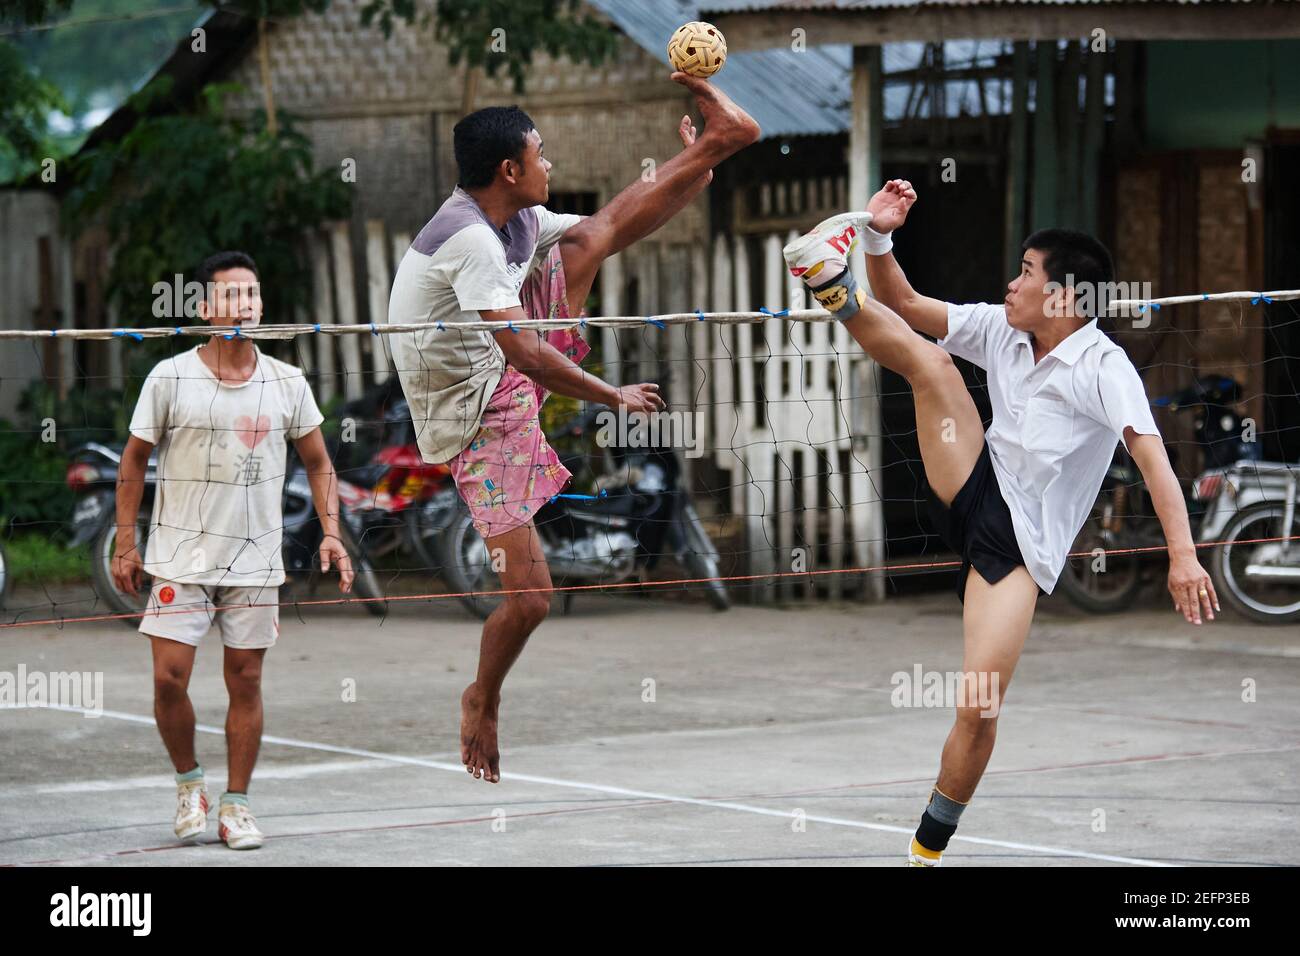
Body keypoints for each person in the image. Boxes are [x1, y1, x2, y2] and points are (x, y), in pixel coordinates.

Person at [783, 180, 1219, 866]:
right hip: (974, 480)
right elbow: (905, 305)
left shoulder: (1104, 368)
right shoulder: (1002, 328)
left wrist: (1183, 556)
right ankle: (825, 273)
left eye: (1025, 273)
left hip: (1019, 550)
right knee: (931, 365)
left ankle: (926, 849)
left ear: (1067, 297)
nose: (1011, 285)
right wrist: (878, 236)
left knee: (978, 705)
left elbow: (1155, 463)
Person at [386, 73, 759, 784]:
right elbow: (524, 349)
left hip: (507, 373)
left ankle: (720, 141)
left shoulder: (516, 220)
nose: (549, 163)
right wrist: (612, 394)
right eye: (541, 152)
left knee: (587, 237)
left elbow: (613, 226)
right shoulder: (468, 238)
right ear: (509, 170)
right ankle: (481, 697)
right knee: (530, 599)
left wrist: (697, 171)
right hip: (473, 418)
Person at [113, 251, 354, 850]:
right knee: (170, 678)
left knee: (245, 679)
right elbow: (134, 461)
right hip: (178, 556)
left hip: (255, 561)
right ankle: (189, 784)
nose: (242, 305)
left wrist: (331, 531)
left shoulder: (286, 381)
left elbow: (320, 463)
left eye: (250, 294)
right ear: (203, 307)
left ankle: (237, 805)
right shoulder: (170, 377)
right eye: (228, 296)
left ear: (261, 305)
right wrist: (126, 539)